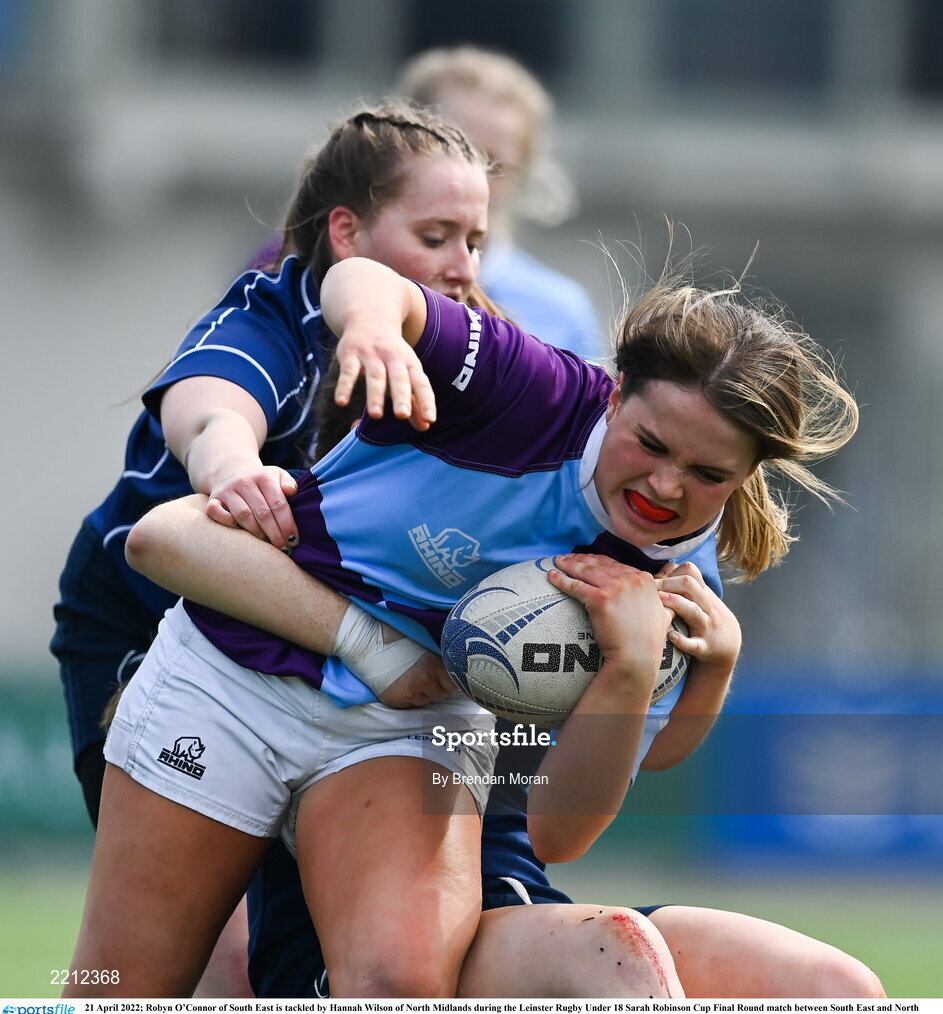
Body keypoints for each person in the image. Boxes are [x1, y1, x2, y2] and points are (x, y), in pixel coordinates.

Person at [65, 254, 866, 998]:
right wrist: (378, 332)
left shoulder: (677, 584)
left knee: (399, 985)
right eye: (651, 444)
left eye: (707, 475)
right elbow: (361, 278)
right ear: (613, 393)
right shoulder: (529, 387)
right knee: (121, 990)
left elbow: (558, 830)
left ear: (745, 477)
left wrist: (631, 669)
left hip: (415, 725)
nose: (664, 487)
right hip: (232, 674)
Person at [51, 100, 494, 996]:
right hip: (156, 631)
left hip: (336, 676)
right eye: (437, 236)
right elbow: (210, 411)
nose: (463, 268)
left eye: (475, 241)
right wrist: (232, 468)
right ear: (346, 232)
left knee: (334, 965)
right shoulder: (275, 313)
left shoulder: (477, 350)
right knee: (200, 959)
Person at [399, 44, 605, 360]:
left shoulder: (562, 313)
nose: (472, 178)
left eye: (495, 165)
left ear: (523, 174)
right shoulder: (350, 279)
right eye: (453, 150)